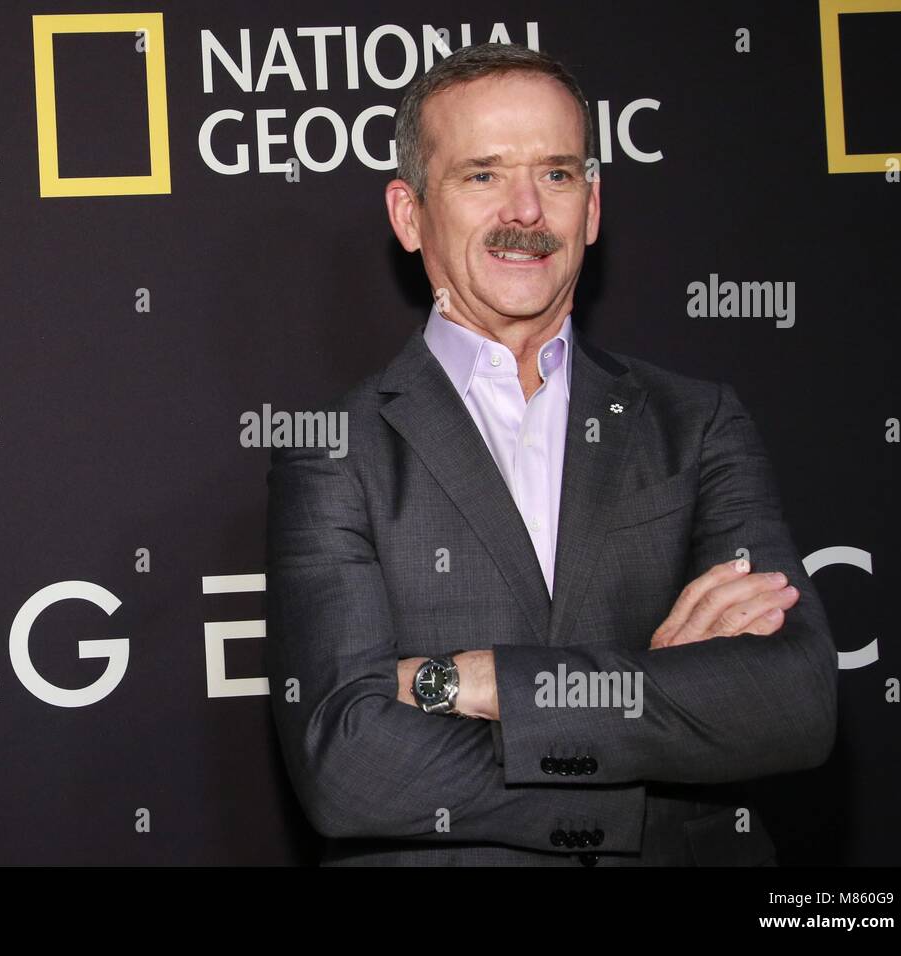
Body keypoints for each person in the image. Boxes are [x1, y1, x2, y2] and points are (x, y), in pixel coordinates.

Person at [263, 41, 837, 866]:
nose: (526, 211)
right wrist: (653, 713)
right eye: (483, 174)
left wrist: (475, 682)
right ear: (409, 212)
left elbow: (795, 703)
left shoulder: (698, 423)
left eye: (558, 174)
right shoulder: (333, 450)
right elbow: (348, 766)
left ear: (592, 207)